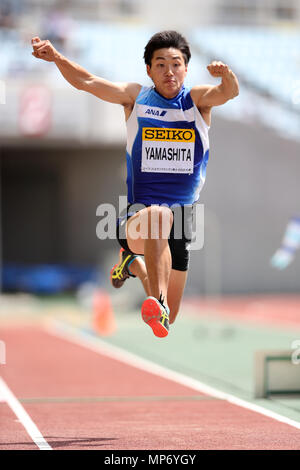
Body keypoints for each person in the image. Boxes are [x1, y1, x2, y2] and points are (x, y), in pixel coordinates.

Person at [31, 30, 239, 338]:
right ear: (148, 70)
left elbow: (229, 93)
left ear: (186, 68)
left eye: (176, 64)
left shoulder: (197, 102)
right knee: (159, 216)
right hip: (138, 218)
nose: (169, 71)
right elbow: (87, 81)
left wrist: (227, 76)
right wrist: (57, 57)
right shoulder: (136, 97)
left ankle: (134, 267)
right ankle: (155, 296)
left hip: (183, 222)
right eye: (160, 64)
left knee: (167, 320)